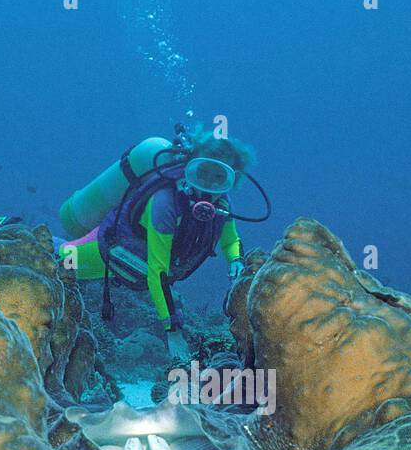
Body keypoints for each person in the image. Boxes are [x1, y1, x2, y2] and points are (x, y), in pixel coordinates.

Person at [58, 126, 267, 362]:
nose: (207, 187)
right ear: (190, 168)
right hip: (111, 252)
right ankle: (10, 231)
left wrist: (236, 261)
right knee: (53, 261)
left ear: (232, 180)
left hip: (133, 265)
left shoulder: (221, 206)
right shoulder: (165, 204)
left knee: (57, 260)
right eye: (202, 173)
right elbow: (157, 270)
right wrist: (172, 331)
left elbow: (230, 240)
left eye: (219, 178)